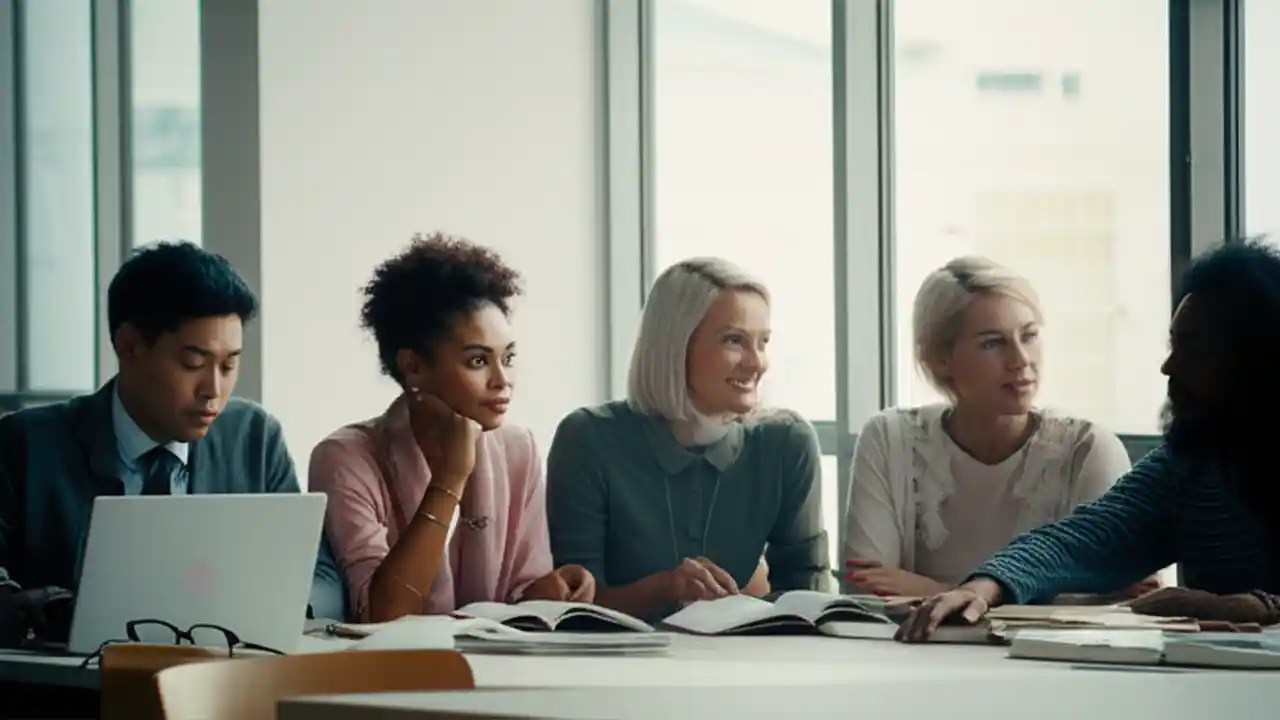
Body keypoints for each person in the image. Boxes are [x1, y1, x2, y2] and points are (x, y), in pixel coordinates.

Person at [897, 241, 1280, 642]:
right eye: (1173, 345)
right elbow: (1084, 538)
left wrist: (1256, 608)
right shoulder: (1189, 461)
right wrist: (985, 587)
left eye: (1194, 350)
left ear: (1254, 360)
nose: (1169, 366)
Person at [0, 242, 344, 647]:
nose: (213, 390)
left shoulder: (254, 438)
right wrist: (49, 611)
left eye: (230, 364)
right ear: (128, 346)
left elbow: (322, 582)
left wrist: (260, 608)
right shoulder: (25, 444)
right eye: (193, 364)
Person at [310, 233, 593, 623]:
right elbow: (381, 614)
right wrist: (451, 476)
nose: (502, 380)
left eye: (508, 358)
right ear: (413, 367)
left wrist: (547, 591)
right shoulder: (346, 458)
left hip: (498, 675)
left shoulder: (518, 449)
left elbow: (519, 599)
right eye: (478, 361)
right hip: (391, 678)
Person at [546, 257, 830, 623]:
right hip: (613, 667)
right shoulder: (587, 438)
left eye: (763, 342)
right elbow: (573, 606)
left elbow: (808, 593)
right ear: (674, 345)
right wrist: (665, 588)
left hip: (742, 665)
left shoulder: (787, 442)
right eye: (734, 340)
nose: (757, 362)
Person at [843, 257, 1134, 598]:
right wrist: (1039, 599)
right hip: (914, 652)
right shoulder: (890, 439)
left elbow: (1116, 607)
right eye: (993, 343)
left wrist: (943, 592)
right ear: (940, 358)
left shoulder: (1088, 450)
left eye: (1029, 336)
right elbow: (866, 591)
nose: (1021, 359)